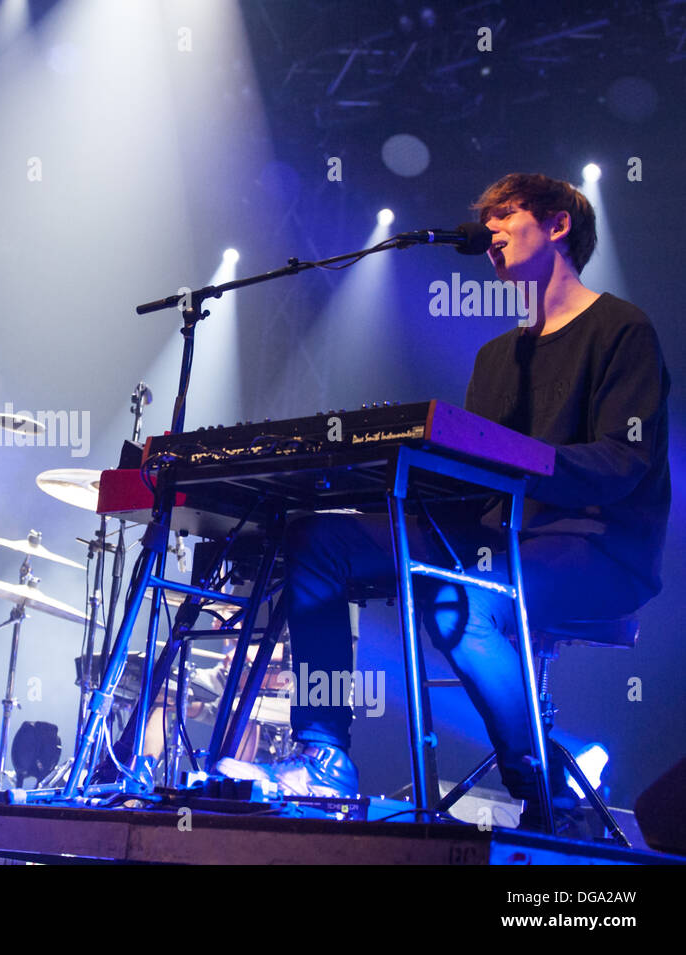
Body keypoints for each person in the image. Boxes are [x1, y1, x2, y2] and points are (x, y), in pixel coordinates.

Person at [217, 173, 671, 830]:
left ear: (559, 224)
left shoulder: (622, 329)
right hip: (496, 535)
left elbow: (623, 463)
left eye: (506, 215)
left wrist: (523, 462)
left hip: (597, 545)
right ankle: (324, 755)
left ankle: (548, 792)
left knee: (461, 597)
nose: (490, 231)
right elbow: (473, 482)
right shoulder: (496, 357)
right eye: (487, 220)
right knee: (320, 540)